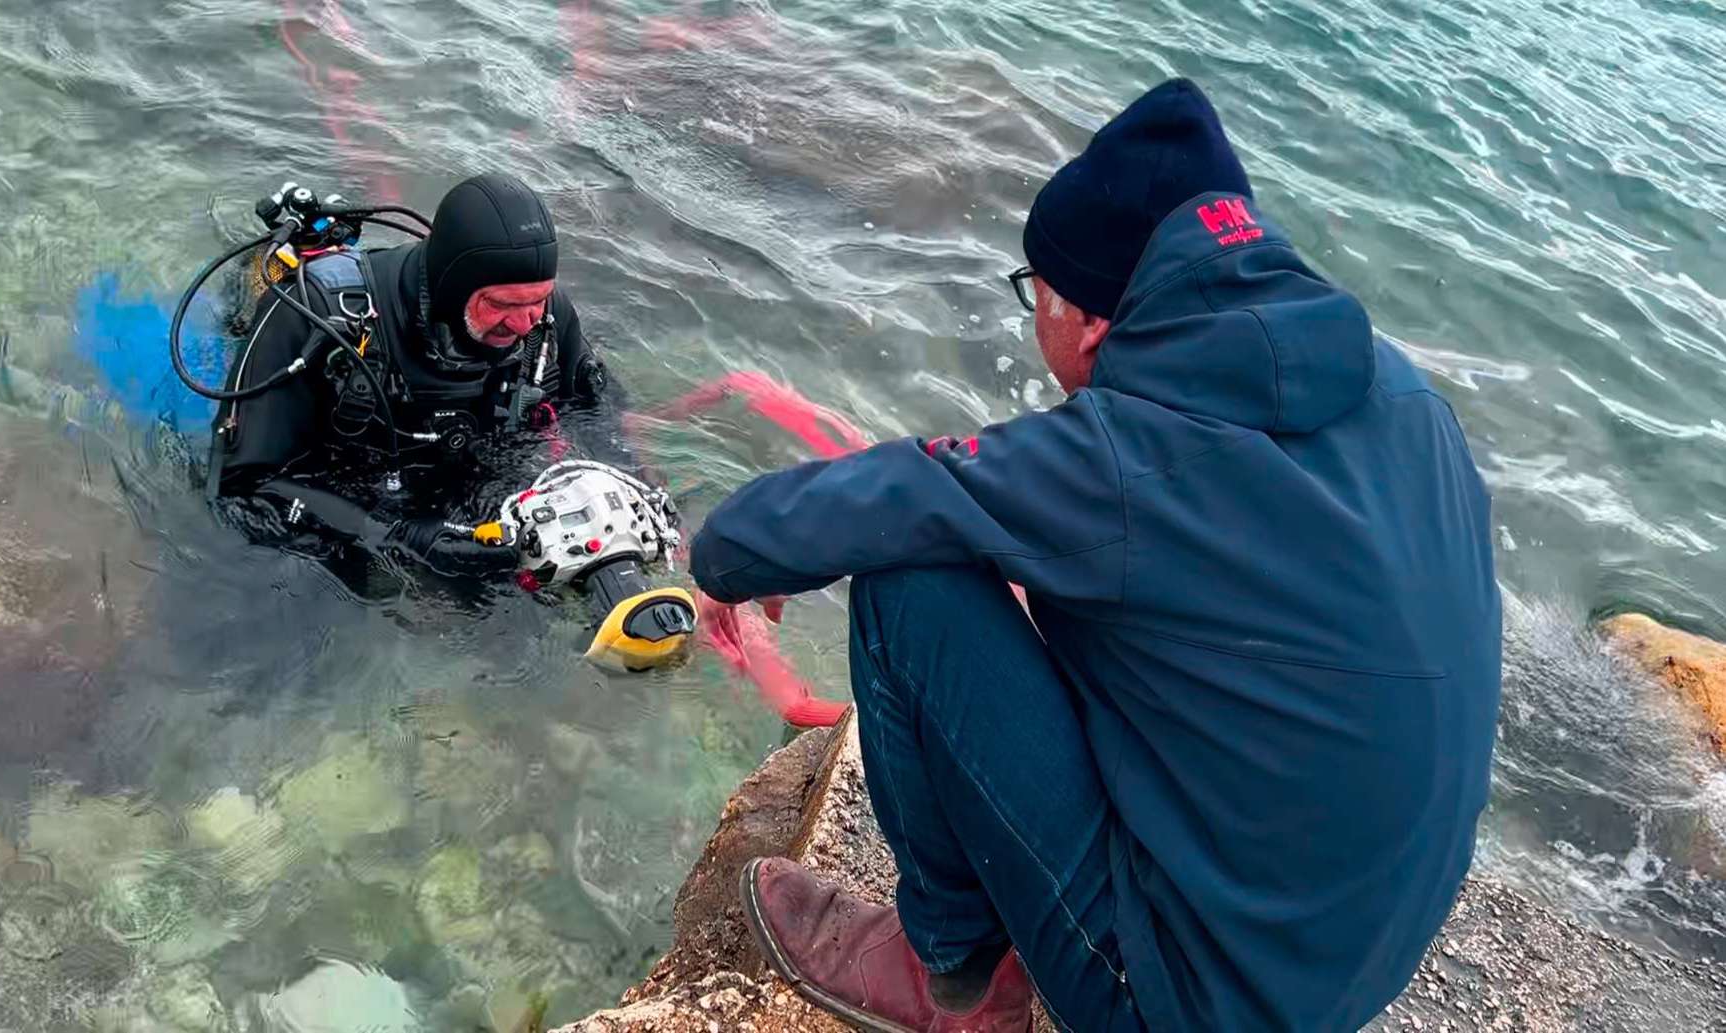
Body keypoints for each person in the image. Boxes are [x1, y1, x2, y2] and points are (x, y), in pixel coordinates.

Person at [689, 79, 1500, 1032]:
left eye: (1036, 293)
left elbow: (885, 500)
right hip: (1341, 968)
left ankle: (952, 975)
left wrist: (724, 558)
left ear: (1092, 323)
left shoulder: (1132, 457)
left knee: (911, 583)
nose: (1034, 317)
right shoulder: (1407, 400)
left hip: (1177, 1002)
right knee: (1051, 575)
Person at [208, 172, 616, 576]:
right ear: (453, 287)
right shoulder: (312, 315)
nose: (527, 325)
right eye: (501, 304)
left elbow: (598, 418)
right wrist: (391, 537)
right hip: (344, 480)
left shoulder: (548, 318)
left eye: (539, 300)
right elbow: (242, 487)